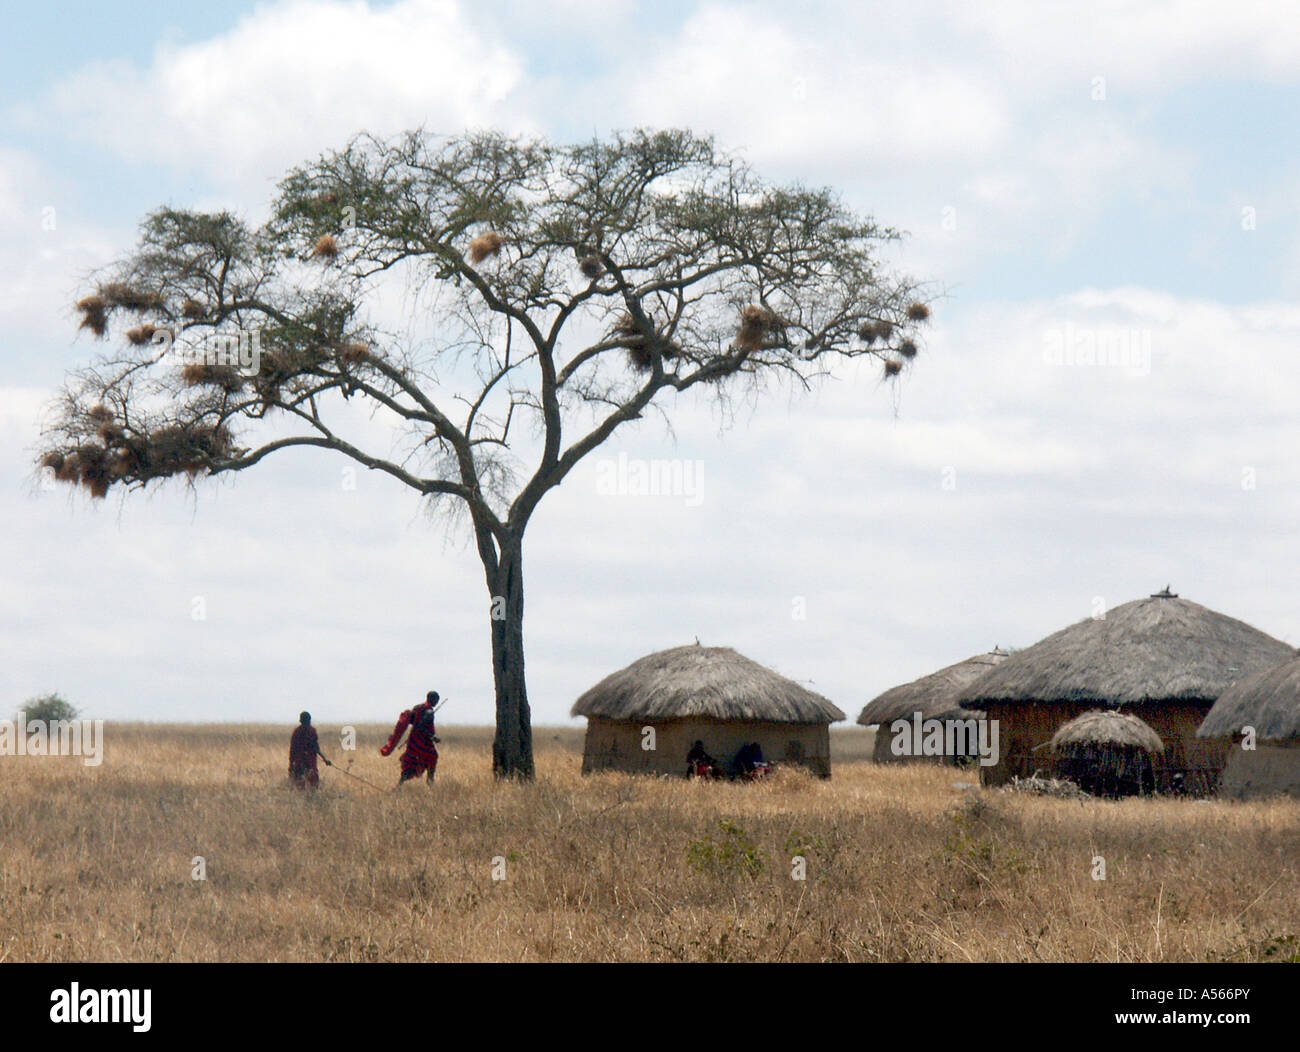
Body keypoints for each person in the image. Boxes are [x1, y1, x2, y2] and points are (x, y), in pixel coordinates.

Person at [380, 691, 441, 785]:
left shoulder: (418, 708)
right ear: (433, 699)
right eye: (436, 700)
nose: (436, 702)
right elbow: (421, 727)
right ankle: (430, 781)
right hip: (423, 742)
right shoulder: (429, 711)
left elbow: (413, 722)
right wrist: (433, 737)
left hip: (413, 740)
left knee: (411, 762)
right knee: (432, 757)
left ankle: (399, 785)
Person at [289, 711, 332, 789]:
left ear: (300, 721)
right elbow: (316, 748)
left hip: (299, 762)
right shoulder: (311, 731)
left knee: (300, 786)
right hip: (309, 762)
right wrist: (325, 759)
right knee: (313, 785)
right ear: (309, 720)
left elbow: (292, 751)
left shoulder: (297, 732)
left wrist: (291, 766)